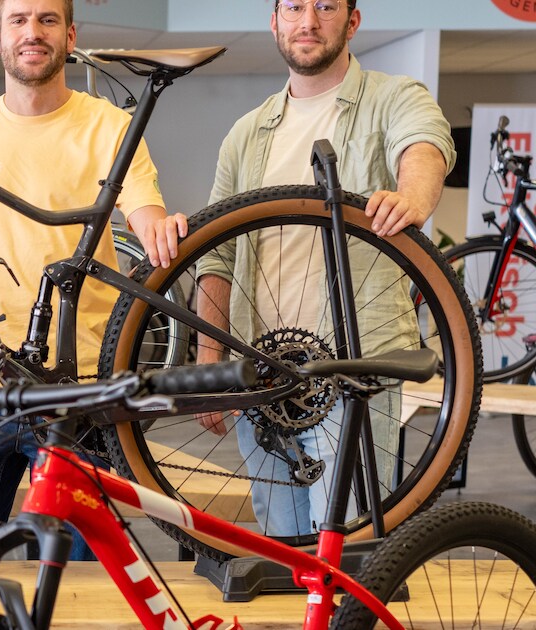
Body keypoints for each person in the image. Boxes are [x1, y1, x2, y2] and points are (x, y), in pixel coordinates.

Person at [0, 0, 188, 560]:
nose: (31, 32)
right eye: (18, 20)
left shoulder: (109, 124)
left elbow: (145, 211)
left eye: (46, 20)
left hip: (80, 385)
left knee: (84, 574)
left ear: (70, 35)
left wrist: (164, 228)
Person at [194, 0, 455, 536]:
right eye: (293, 7)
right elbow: (217, 253)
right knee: (281, 551)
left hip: (353, 370)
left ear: (352, 21)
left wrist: (414, 196)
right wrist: (209, 362)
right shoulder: (246, 133)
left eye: (326, 6)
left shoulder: (392, 97)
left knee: (350, 545)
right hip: (261, 372)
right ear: (275, 22)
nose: (308, 21)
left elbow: (426, 143)